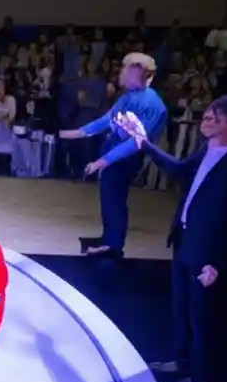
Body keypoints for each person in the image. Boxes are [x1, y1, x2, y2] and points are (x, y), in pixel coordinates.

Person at [119, 96, 227, 382]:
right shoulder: (206, 150)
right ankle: (181, 362)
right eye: (206, 116)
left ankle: (201, 381)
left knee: (201, 319)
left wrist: (218, 263)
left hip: (207, 253)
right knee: (180, 310)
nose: (205, 121)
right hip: (184, 240)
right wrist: (143, 142)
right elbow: (180, 171)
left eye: (214, 118)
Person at [59, 52, 168, 258]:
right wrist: (77, 132)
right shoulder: (128, 97)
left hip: (125, 159)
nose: (121, 74)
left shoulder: (152, 104)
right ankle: (108, 238)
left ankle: (113, 244)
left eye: (126, 69)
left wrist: (102, 161)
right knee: (109, 198)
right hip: (112, 153)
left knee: (115, 200)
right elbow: (109, 119)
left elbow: (136, 142)